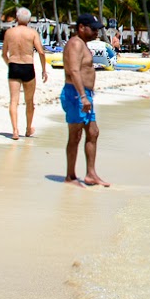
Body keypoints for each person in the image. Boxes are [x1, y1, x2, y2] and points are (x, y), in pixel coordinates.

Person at [61, 14, 109, 187]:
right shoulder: (75, 43)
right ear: (81, 27)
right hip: (76, 94)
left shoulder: (83, 45)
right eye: (93, 28)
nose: (97, 32)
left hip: (84, 95)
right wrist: (82, 96)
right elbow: (73, 71)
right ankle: (70, 176)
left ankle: (91, 174)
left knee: (93, 132)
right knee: (75, 135)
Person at [2, 7, 50, 140]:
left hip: (14, 65)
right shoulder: (32, 33)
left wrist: (10, 64)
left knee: (13, 101)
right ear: (29, 19)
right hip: (28, 67)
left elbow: (4, 54)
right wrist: (44, 69)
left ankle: (15, 131)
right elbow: (41, 52)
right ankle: (28, 129)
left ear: (17, 18)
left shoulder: (9, 32)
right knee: (29, 101)